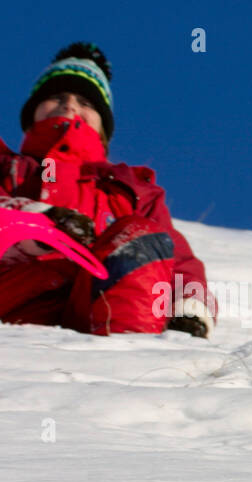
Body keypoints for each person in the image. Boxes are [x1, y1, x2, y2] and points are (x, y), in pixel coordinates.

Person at [0, 43, 215, 336]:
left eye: (86, 102)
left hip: (101, 317)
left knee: (140, 234)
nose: (70, 105)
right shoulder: (7, 167)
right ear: (31, 116)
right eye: (56, 96)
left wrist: (188, 307)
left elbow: (178, 261)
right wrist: (37, 225)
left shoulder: (131, 192)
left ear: (103, 128)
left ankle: (124, 363)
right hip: (11, 298)